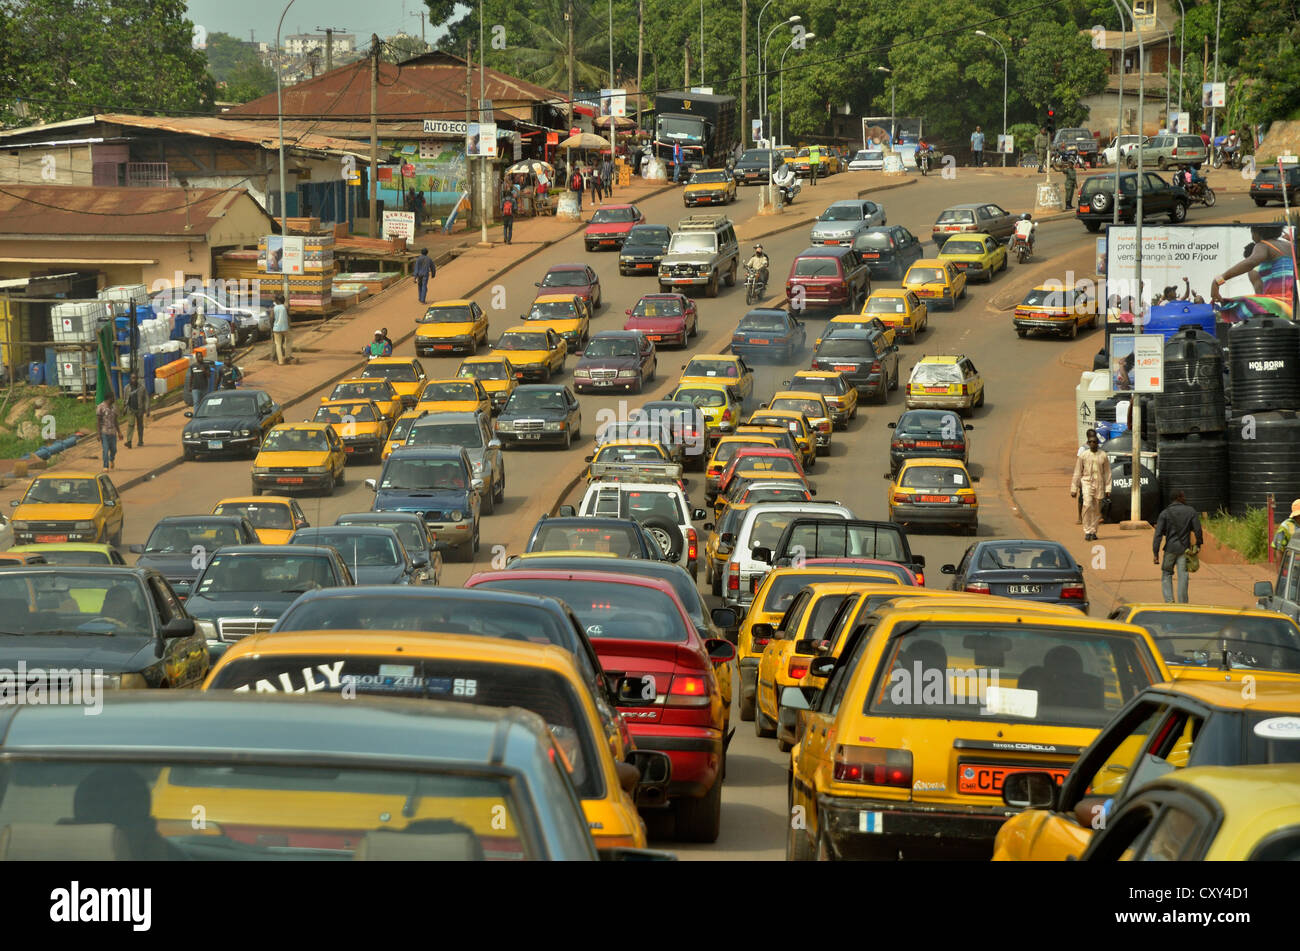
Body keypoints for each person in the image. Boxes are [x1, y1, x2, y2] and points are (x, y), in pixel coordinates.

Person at [1211, 224, 1296, 322]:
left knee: (1234, 306)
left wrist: (1218, 281)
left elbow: (1251, 262)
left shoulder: (1263, 245)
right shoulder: (1291, 245)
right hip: (1293, 300)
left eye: (1251, 232)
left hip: (1279, 302)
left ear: (1256, 233)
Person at [1153, 490, 1204, 604]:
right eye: (1183, 496)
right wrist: (1198, 544)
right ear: (1179, 497)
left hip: (1170, 550)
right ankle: (1182, 603)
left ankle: (1169, 601)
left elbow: (1158, 535)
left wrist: (1155, 553)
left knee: (1166, 573)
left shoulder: (1164, 513)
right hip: (1184, 550)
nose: (1185, 498)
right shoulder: (1191, 511)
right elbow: (1198, 530)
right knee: (1183, 576)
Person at [1070, 430, 1111, 542]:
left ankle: (1093, 531)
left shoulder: (1103, 455)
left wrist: (1108, 488)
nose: (1093, 444)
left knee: (1097, 509)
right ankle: (1087, 531)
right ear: (1088, 443)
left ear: (1097, 443)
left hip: (1099, 484)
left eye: (1094, 442)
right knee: (1087, 505)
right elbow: (1078, 472)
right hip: (1087, 482)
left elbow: (1107, 473)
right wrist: (1074, 488)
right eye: (1090, 442)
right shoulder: (1083, 455)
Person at [122, 372, 149, 448]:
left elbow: (146, 399)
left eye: (135, 378)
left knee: (140, 426)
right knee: (131, 424)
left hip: (139, 410)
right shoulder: (126, 388)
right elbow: (125, 399)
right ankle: (129, 442)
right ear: (130, 379)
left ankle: (140, 441)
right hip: (130, 409)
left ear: (137, 379)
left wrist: (147, 410)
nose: (134, 379)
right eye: (132, 378)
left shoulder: (142, 388)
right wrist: (124, 409)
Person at [96, 390, 121, 471]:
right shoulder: (100, 407)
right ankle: (105, 466)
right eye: (112, 398)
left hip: (113, 432)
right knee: (105, 449)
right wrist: (98, 434)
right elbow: (98, 421)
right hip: (104, 432)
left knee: (114, 449)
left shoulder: (114, 408)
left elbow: (116, 421)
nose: (114, 399)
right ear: (109, 398)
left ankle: (111, 459)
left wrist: (119, 432)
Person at [272, 293, 291, 366]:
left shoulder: (274, 308)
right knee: (289, 340)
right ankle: (287, 356)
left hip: (276, 328)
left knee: (278, 344)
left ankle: (280, 361)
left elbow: (271, 318)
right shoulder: (285, 307)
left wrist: (272, 326)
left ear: (277, 301)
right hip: (285, 328)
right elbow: (289, 316)